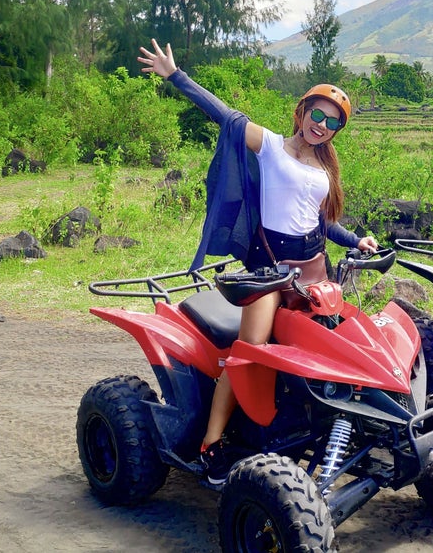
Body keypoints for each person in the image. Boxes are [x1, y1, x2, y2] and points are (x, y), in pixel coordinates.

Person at [138, 39, 379, 483]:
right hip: (271, 275)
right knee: (248, 355)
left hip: (316, 274)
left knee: (335, 349)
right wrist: (176, 76)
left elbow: (319, 224)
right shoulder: (270, 146)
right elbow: (224, 114)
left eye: (332, 122)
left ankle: (321, 427)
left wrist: (354, 239)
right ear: (302, 111)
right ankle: (212, 445)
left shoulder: (325, 169)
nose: (321, 125)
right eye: (317, 114)